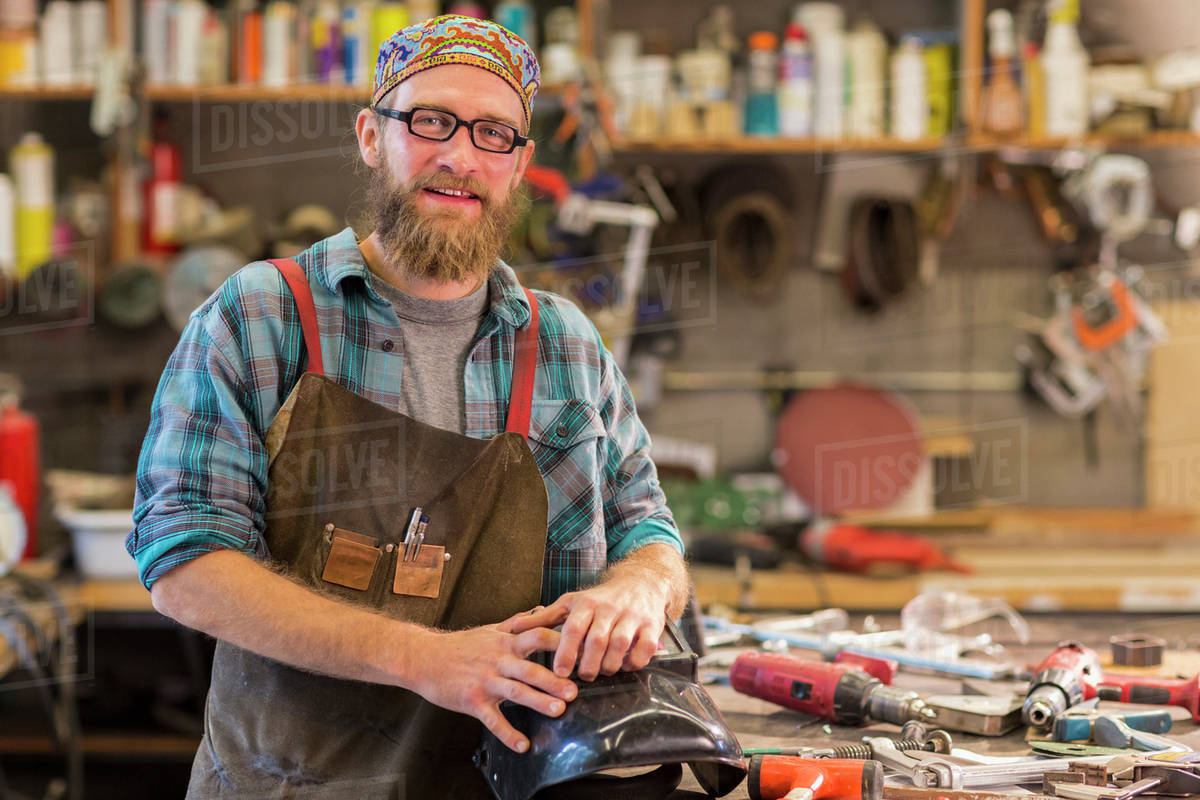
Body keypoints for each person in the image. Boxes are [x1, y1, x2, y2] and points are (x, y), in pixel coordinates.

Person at [126, 14, 689, 799]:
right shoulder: (260, 315)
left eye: (493, 133)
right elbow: (182, 559)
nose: (459, 156)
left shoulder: (566, 344)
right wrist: (425, 659)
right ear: (369, 135)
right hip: (292, 785)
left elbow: (649, 530)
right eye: (430, 121)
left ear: (520, 164)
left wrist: (640, 587)